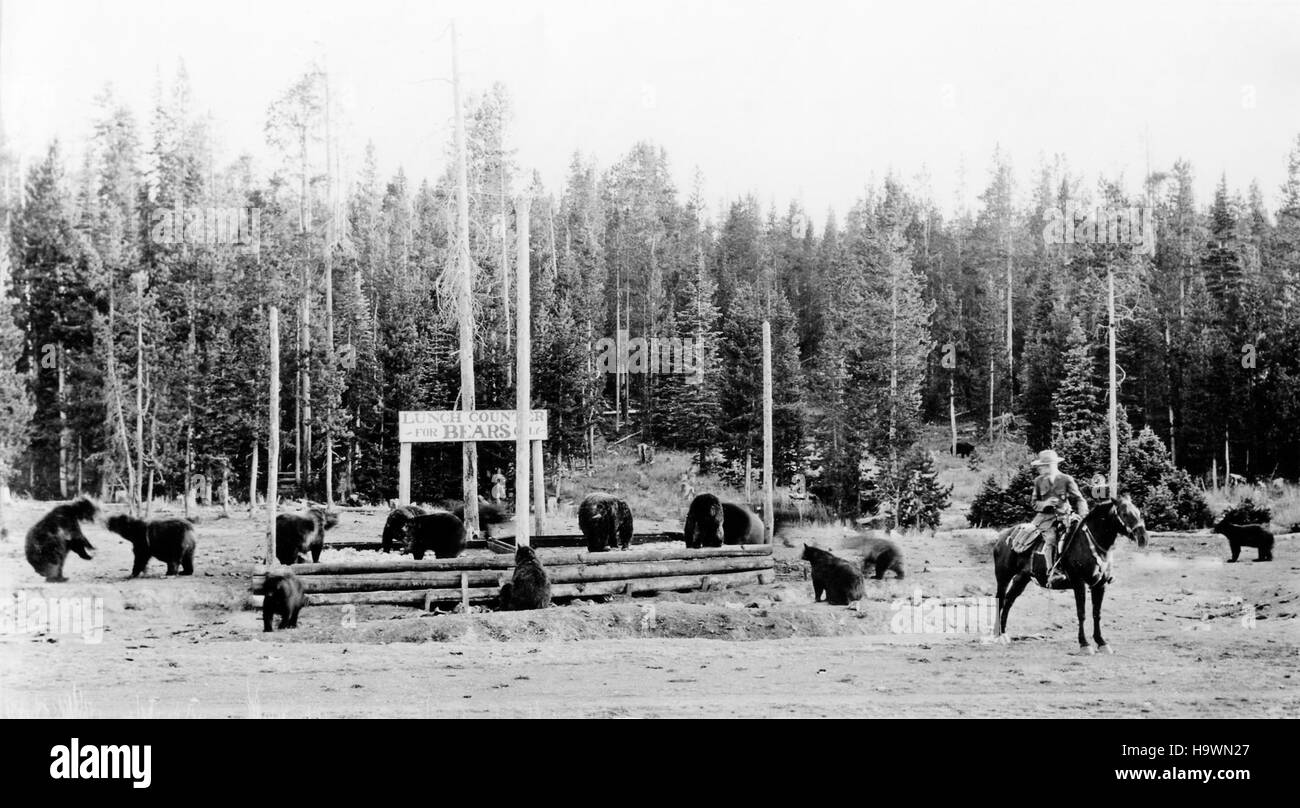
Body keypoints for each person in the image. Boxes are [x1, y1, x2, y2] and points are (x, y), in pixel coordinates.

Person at [1028, 449, 1088, 587]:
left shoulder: (1066, 479)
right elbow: (1034, 503)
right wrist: (1045, 504)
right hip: (1045, 520)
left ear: (1050, 466)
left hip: (1065, 516)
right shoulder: (1038, 481)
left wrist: (1083, 515)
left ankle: (1093, 568)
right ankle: (1053, 572)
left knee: (1081, 536)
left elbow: (1080, 499)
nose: (1039, 469)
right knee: (1051, 539)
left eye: (1041, 466)